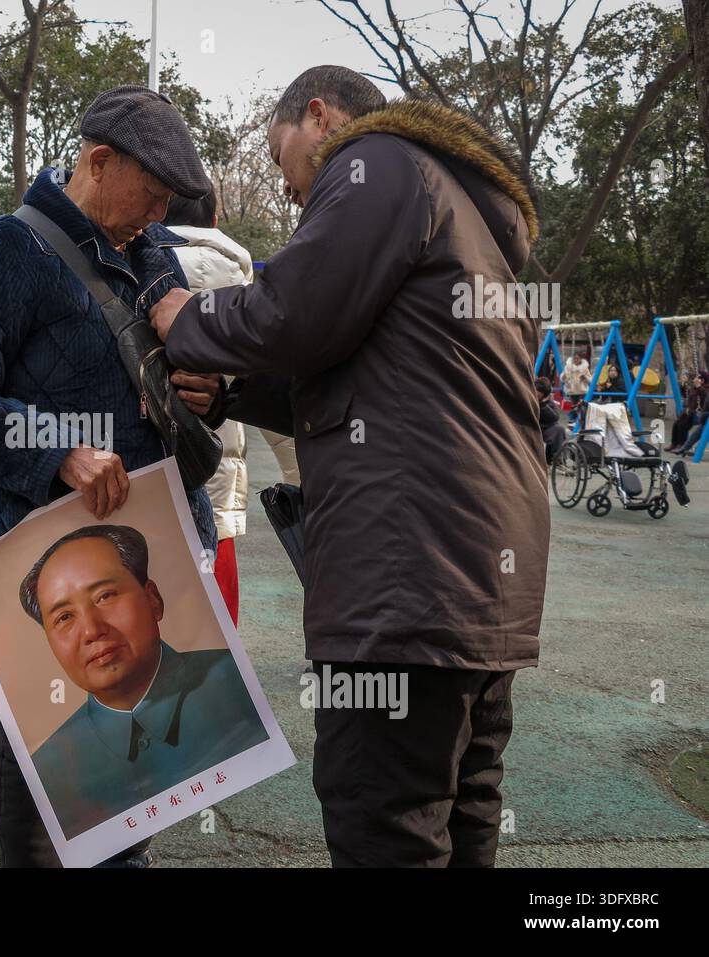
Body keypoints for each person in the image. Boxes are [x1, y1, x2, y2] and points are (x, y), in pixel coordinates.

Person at [150, 66, 548, 867]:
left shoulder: (380, 164)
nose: (290, 190)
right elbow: (349, 375)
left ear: (321, 116)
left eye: (281, 156)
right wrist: (229, 392)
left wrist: (186, 319)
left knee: (383, 821)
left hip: (407, 573)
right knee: (460, 809)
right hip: (481, 570)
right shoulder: (461, 208)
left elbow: (296, 309)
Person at [0, 85, 223, 867]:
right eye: (149, 194)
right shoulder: (3, 248)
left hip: (153, 547)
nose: (157, 214)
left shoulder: (150, 257)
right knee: (45, 738)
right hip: (46, 553)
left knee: (144, 740)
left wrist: (204, 391)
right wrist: (58, 449)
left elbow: (167, 389)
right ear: (97, 161)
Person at [21, 525, 267, 839]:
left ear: (153, 599)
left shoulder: (235, 694)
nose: (91, 630)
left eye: (105, 596)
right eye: (64, 617)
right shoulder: (51, 765)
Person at [163, 187, 250, 625]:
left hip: (146, 469)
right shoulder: (244, 280)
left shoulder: (133, 264)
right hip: (216, 469)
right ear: (214, 221)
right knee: (217, 625)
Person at [668, 372, 707, 453]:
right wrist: (683, 384)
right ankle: (674, 444)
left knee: (683, 424)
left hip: (698, 414)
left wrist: (699, 387)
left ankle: (681, 444)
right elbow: (686, 394)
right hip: (690, 412)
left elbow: (705, 397)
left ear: (702, 380)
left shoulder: (705, 388)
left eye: (698, 378)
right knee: (676, 424)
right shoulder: (694, 388)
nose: (695, 380)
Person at [536, 377, 567, 462]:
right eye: (537, 391)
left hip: (546, 429)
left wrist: (543, 405)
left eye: (540, 392)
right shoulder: (529, 399)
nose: (537, 393)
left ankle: (557, 458)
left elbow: (555, 417)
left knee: (559, 429)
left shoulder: (548, 403)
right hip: (533, 427)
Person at [561, 351, 590, 421]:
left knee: (581, 408)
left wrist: (585, 378)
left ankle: (581, 421)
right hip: (572, 390)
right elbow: (563, 378)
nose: (576, 360)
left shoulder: (585, 368)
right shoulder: (568, 367)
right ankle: (572, 421)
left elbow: (589, 379)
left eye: (578, 358)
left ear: (581, 359)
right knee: (572, 407)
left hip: (582, 391)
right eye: (574, 358)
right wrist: (564, 376)